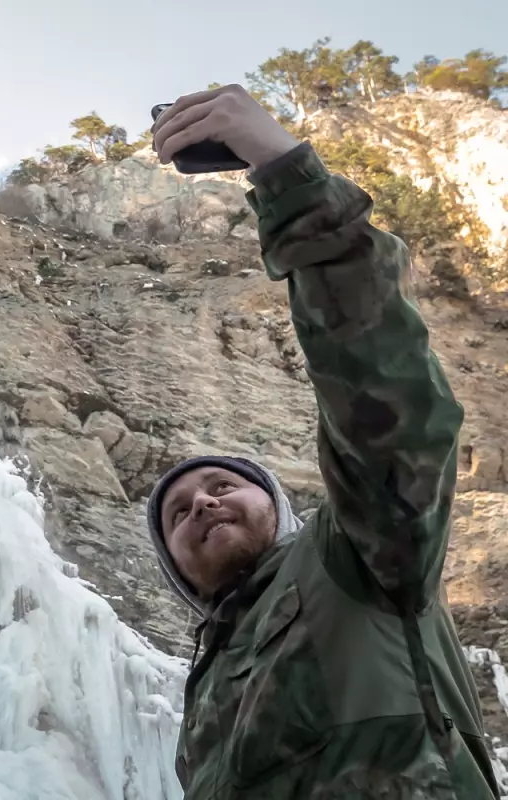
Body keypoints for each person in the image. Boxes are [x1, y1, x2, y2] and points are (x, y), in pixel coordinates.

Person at [145, 85, 501, 799]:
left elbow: (387, 401)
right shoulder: (203, 696)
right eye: (178, 513)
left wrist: (286, 174)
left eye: (221, 486)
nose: (203, 506)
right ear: (178, 573)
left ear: (278, 505)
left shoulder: (358, 559)